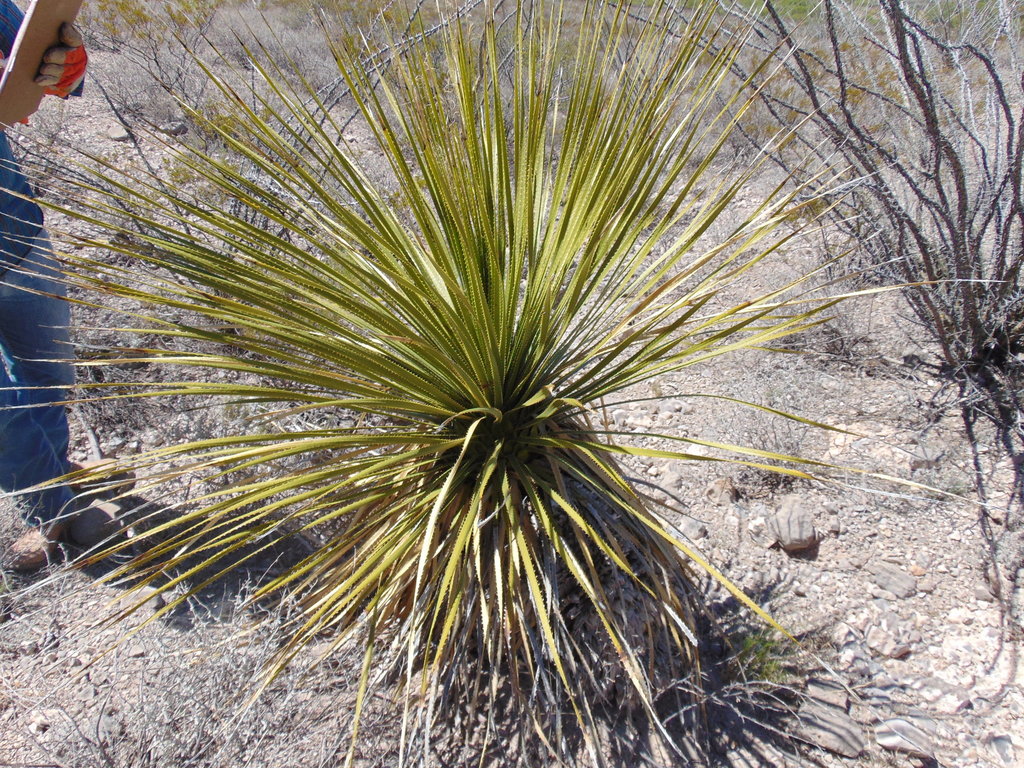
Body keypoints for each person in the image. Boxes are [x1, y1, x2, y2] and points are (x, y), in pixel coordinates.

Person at [1, 2, 89, 572]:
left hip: (14, 229)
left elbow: (54, 73)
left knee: (48, 372)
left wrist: (66, 64)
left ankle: (54, 466)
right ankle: (51, 508)